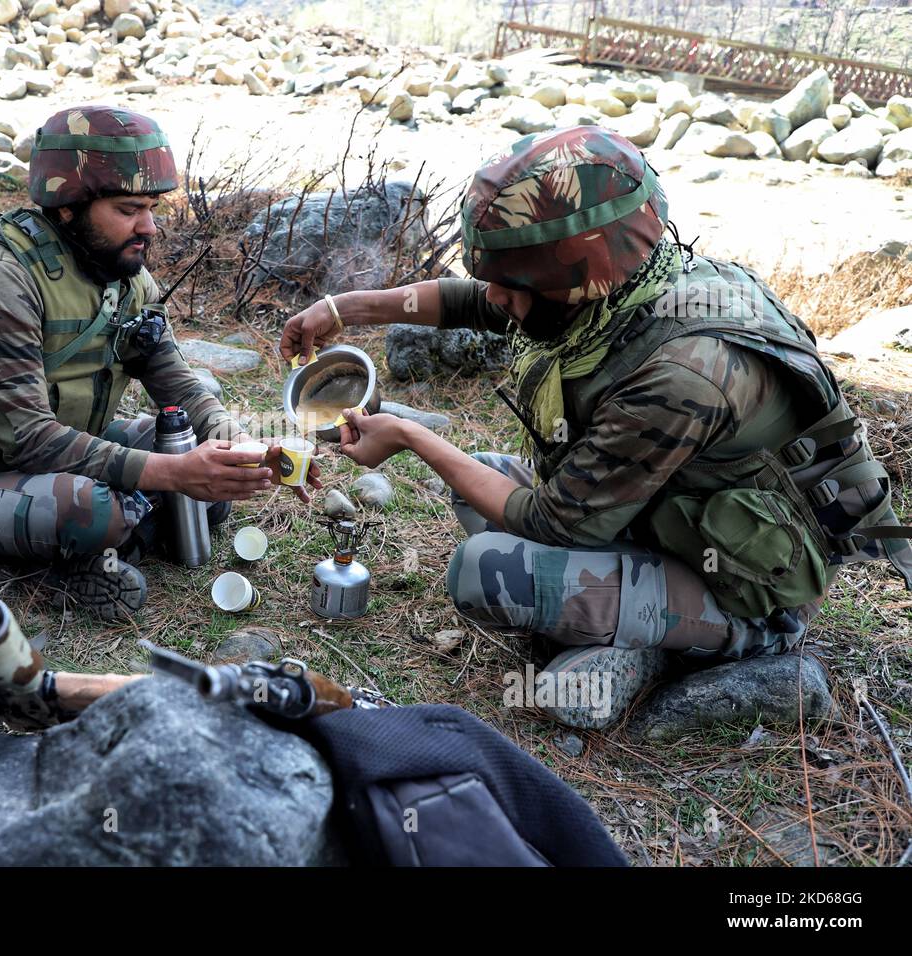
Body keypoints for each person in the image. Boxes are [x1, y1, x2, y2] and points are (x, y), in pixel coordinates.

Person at [278, 126, 912, 729]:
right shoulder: (629, 283)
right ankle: (640, 611)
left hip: (754, 575)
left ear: (574, 277)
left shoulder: (682, 376)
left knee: (483, 569)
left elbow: (554, 524)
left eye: (512, 285)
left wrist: (415, 437)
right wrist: (341, 309)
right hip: (675, 515)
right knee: (482, 482)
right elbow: (477, 300)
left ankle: (744, 635)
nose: (495, 297)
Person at [0, 106, 318, 620]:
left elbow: (176, 382)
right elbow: (27, 437)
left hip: (61, 457)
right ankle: (93, 549)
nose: (149, 227)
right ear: (69, 205)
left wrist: (234, 442)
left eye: (151, 208)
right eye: (129, 209)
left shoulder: (120, 274)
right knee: (97, 510)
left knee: (204, 460)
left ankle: (122, 529)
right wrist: (173, 476)